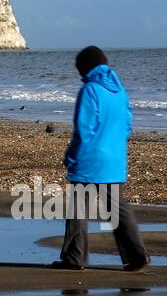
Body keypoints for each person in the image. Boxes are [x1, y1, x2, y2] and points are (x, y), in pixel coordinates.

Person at [53, 46, 149, 272]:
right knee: (117, 210)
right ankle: (137, 256)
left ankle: (75, 258)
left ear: (86, 67)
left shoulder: (90, 90)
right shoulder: (119, 91)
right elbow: (127, 125)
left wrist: (72, 155)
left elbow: (84, 130)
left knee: (78, 209)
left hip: (90, 159)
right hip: (114, 159)